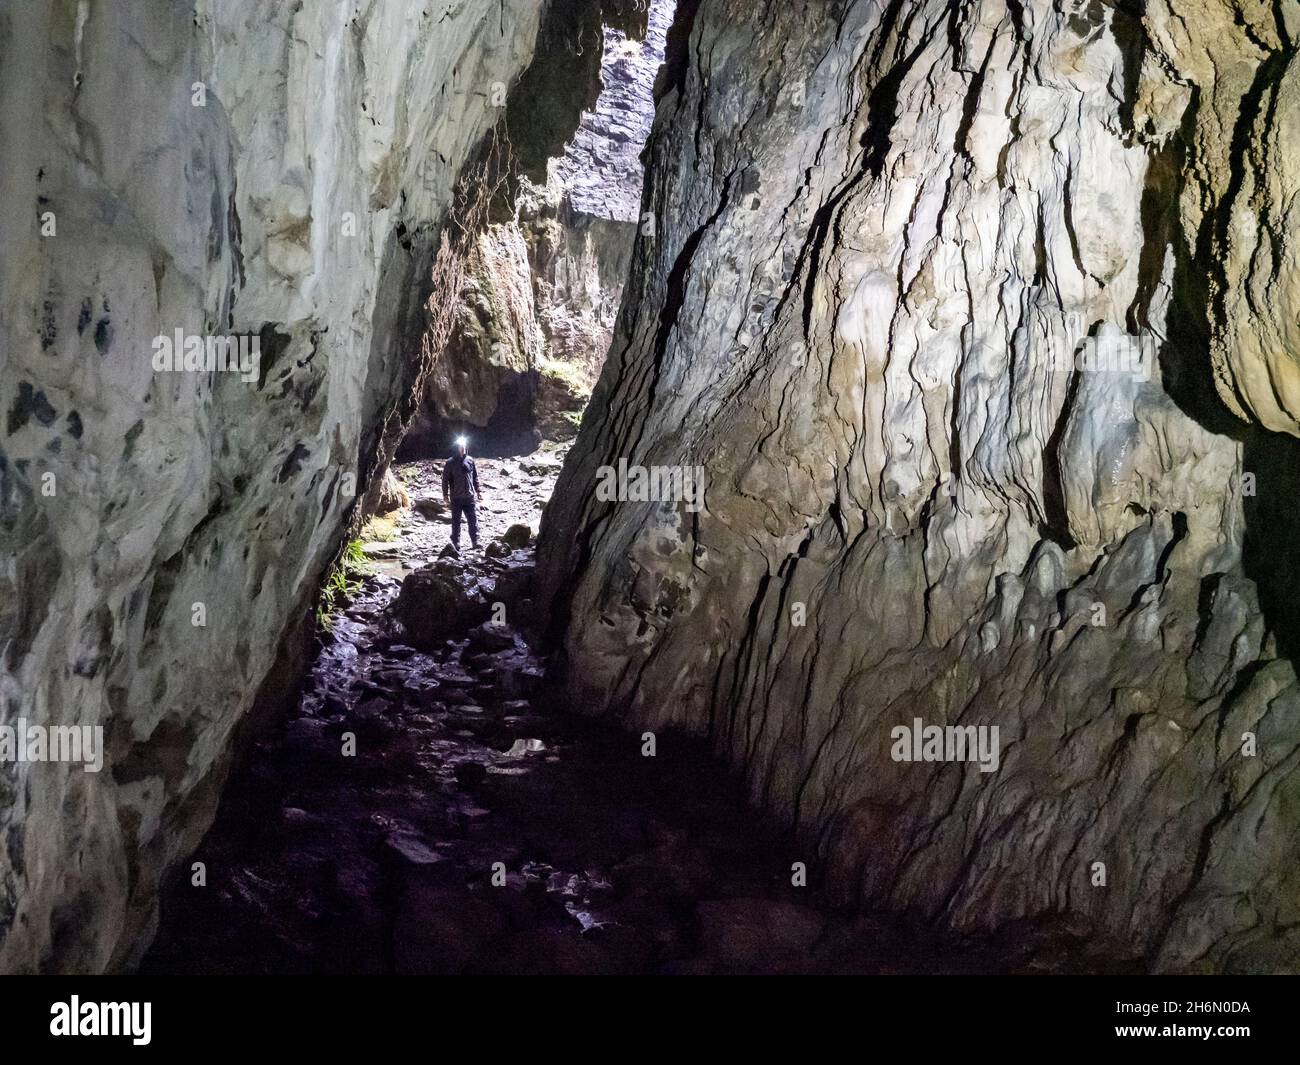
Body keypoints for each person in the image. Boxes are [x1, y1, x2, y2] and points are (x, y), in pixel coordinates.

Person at [441, 436, 481, 551]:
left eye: (464, 446)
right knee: (456, 522)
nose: (462, 448)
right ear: (456, 447)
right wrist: (445, 496)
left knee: (473, 520)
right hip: (456, 498)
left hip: (469, 497)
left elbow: (475, 477)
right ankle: (456, 543)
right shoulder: (450, 463)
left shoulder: (470, 460)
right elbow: (445, 480)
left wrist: (478, 491)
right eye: (460, 447)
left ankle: (476, 541)